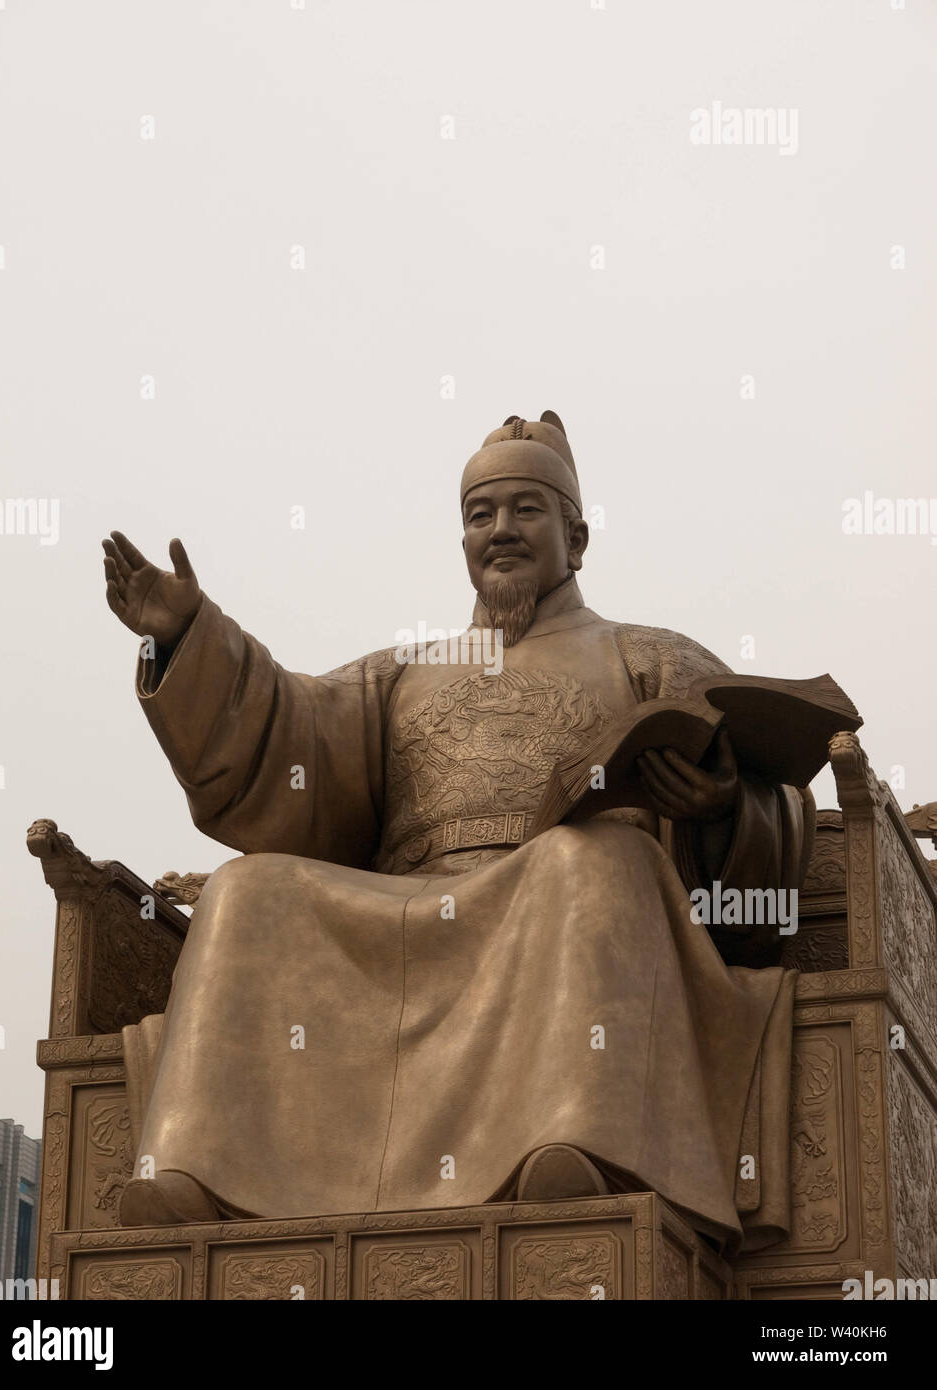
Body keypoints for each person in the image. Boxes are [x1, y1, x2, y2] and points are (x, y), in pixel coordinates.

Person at [103, 412, 812, 1252]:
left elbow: (772, 814)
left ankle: (578, 1145)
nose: (500, 531)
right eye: (481, 514)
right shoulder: (403, 672)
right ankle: (203, 1167)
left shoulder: (648, 656)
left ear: (575, 537)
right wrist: (189, 639)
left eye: (525, 510)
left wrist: (721, 806)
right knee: (250, 887)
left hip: (559, 920)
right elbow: (288, 731)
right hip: (405, 912)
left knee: (591, 859)